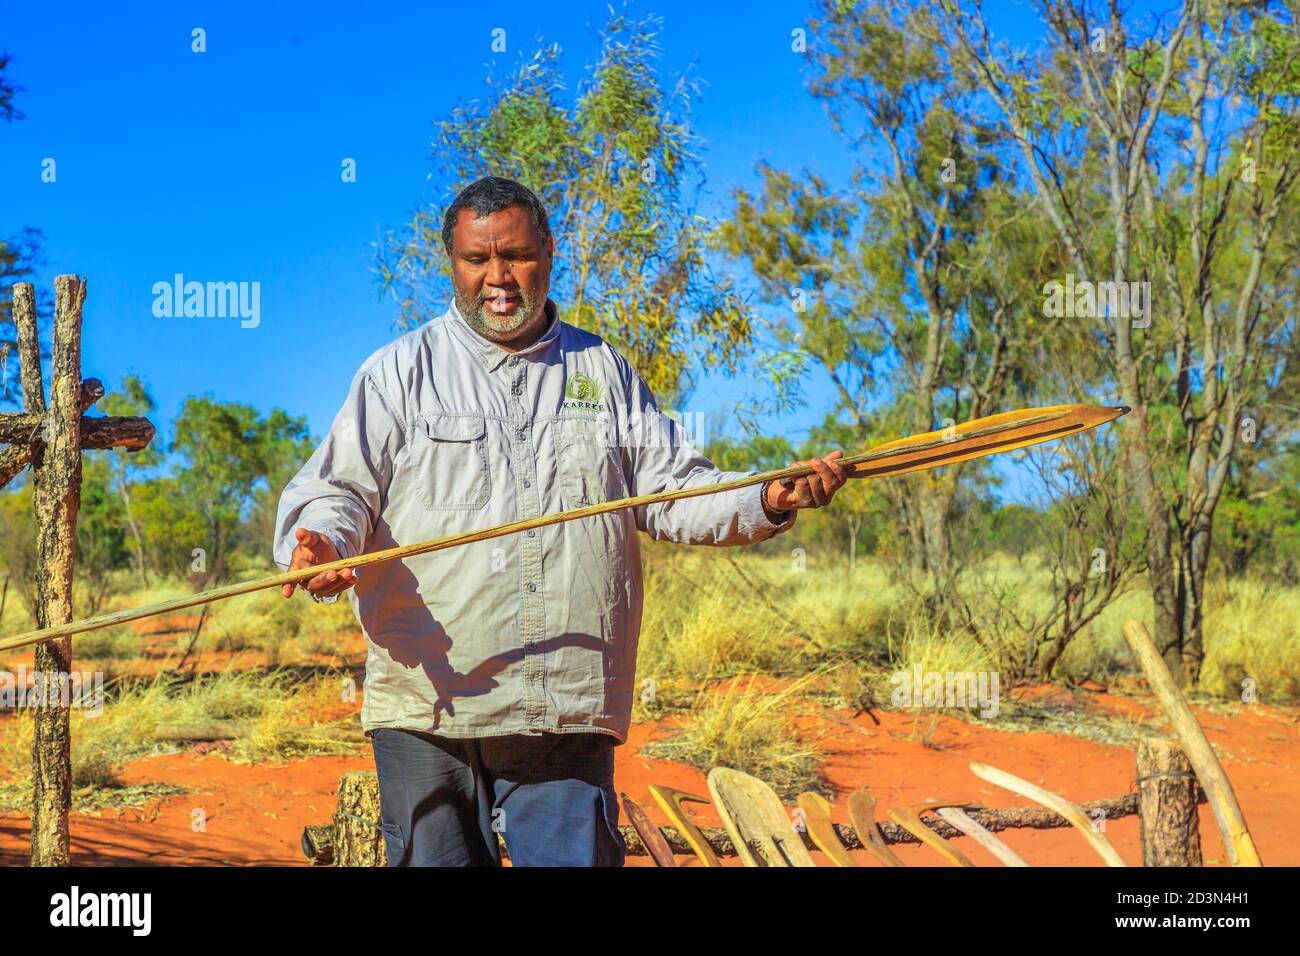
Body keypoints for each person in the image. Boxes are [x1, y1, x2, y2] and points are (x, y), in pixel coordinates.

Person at [274, 176, 847, 866]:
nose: (497, 278)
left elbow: (673, 491)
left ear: (549, 251)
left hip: (567, 698)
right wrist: (323, 542)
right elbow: (338, 490)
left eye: (515, 255)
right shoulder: (399, 373)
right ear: (449, 262)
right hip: (429, 704)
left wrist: (766, 497)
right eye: (476, 260)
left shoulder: (600, 371)